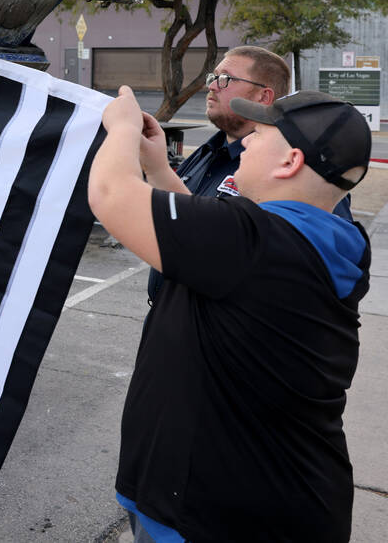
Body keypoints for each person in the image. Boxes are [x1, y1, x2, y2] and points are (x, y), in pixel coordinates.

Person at [89, 87, 372, 543]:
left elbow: (110, 194)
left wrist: (120, 128)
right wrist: (159, 169)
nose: (245, 142)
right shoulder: (318, 239)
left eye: (259, 134)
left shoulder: (253, 240)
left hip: (210, 517)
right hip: (282, 501)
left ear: (290, 161)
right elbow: (206, 248)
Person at [146, 47, 350, 301]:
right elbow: (177, 219)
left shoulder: (293, 175)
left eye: (226, 79)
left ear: (264, 96)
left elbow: (317, 271)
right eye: (213, 77)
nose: (212, 86)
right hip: (167, 313)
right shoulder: (206, 152)